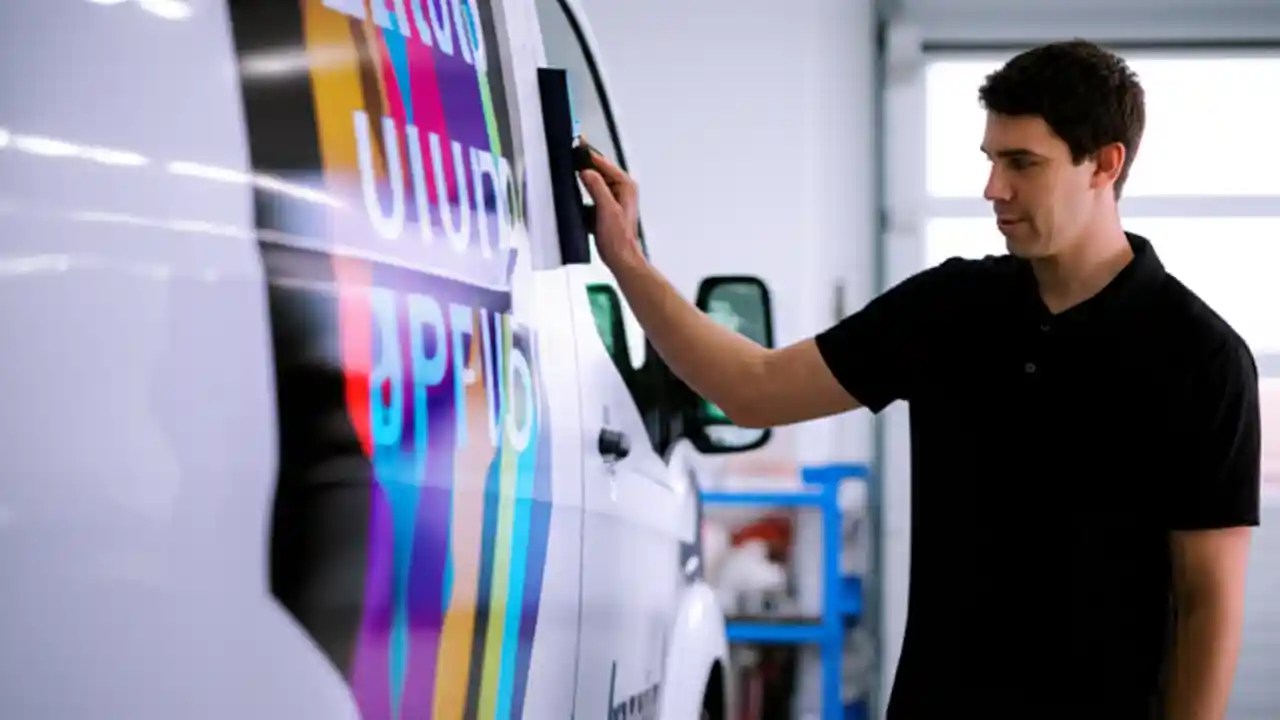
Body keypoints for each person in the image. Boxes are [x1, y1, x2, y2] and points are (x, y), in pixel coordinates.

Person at [577, 39, 1260, 720]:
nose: (995, 188)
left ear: (1104, 165)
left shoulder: (1200, 357)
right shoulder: (948, 309)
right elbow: (753, 388)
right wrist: (628, 262)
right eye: (991, 160)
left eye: (1023, 163)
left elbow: (1210, 601)